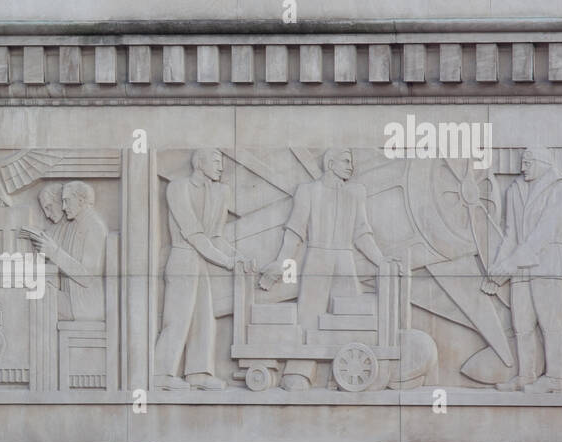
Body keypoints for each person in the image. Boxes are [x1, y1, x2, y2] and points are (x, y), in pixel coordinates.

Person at [259, 148, 394, 391]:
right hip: (317, 257)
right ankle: (299, 372)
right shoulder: (308, 191)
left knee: (350, 317)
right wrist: (280, 261)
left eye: (351, 162)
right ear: (330, 163)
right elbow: (295, 230)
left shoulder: (355, 193)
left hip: (345, 259)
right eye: (345, 161)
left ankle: (344, 373)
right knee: (309, 316)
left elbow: (362, 232)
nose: (350, 166)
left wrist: (381, 260)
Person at [153, 149, 249, 391]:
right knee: (178, 317)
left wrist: (238, 258)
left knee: (204, 319)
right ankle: (161, 372)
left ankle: (198, 373)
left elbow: (215, 236)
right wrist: (226, 262)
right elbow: (194, 234)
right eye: (216, 161)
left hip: (203, 261)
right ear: (199, 162)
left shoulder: (219, 192)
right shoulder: (178, 187)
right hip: (183, 257)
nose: (220, 167)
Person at [482, 147, 562, 393]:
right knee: (521, 325)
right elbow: (511, 235)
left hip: (548, 263)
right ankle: (526, 375)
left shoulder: (560, 187)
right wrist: (498, 273)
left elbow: (544, 234)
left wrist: (508, 266)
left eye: (528, 163)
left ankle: (555, 378)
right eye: (523, 162)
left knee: (550, 324)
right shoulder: (515, 189)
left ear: (543, 162)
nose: (523, 168)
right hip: (521, 268)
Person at [24, 181, 106, 321]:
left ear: (80, 201)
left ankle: (43, 343)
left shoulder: (94, 227)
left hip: (83, 305)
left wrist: (53, 252)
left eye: (67, 201)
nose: (63, 207)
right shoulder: (75, 225)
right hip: (71, 299)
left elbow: (87, 277)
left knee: (32, 296)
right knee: (30, 291)